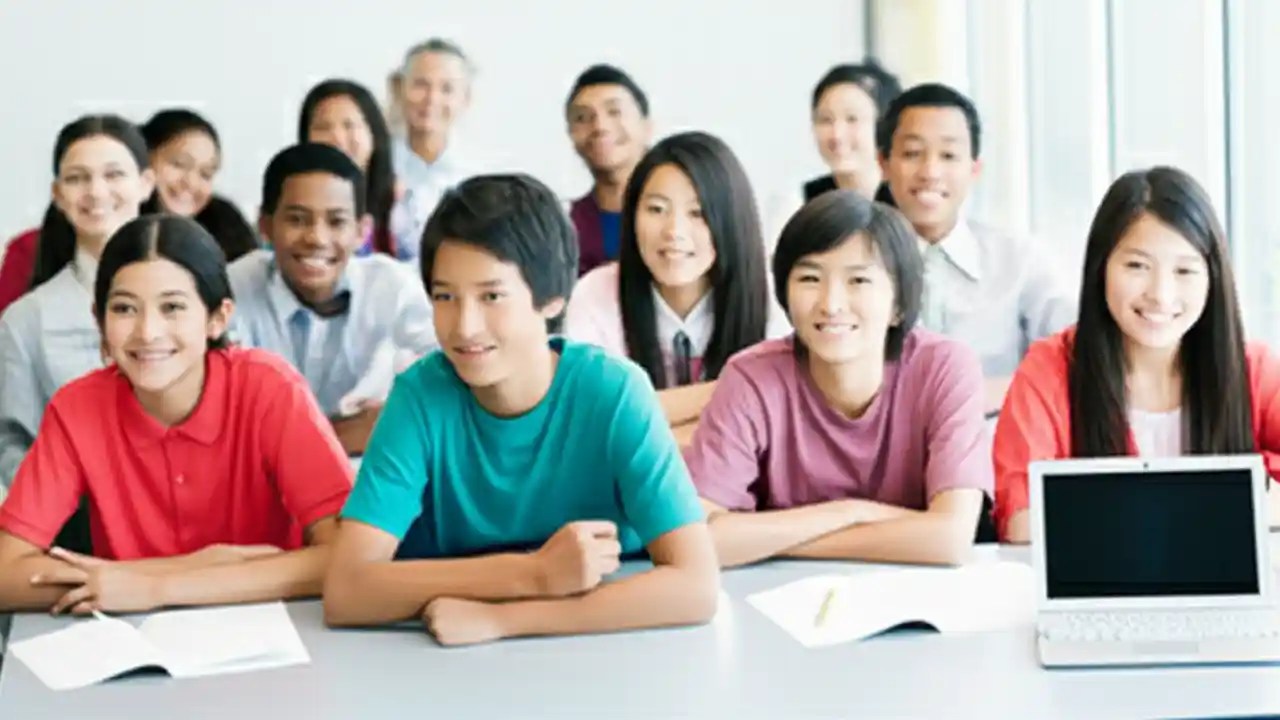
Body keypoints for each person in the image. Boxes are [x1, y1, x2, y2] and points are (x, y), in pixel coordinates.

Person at [322, 174, 718, 646]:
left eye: (491, 296)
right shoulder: (420, 397)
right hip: (437, 666)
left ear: (551, 298)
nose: (465, 327)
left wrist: (505, 621)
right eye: (445, 297)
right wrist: (530, 574)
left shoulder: (615, 392)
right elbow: (346, 590)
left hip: (605, 652)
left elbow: (695, 587)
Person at [0, 214, 352, 613]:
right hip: (130, 642)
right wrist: (182, 572)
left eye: (172, 307)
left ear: (217, 318)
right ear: (100, 322)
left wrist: (157, 586)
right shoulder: (77, 408)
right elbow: (6, 573)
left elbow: (347, 554)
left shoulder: (270, 389)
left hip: (273, 633)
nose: (147, 331)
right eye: (125, 308)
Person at [686, 190, 991, 567]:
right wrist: (848, 513)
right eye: (811, 278)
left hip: (917, 600)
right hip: (780, 600)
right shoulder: (750, 377)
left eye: (858, 281)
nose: (831, 303)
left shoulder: (945, 368)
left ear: (898, 303)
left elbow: (951, 539)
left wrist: (767, 538)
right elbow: (701, 540)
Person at [994, 167, 1280, 542]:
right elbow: (1022, 522)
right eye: (1137, 266)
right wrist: (1227, 503)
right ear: (1101, 268)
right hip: (1099, 591)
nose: (1161, 294)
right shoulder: (1052, 368)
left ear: (1213, 278)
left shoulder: (1250, 369)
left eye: (1184, 271)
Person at [563, 132, 789, 445]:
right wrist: (737, 388)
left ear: (731, 220)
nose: (673, 231)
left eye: (697, 213)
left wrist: (644, 421)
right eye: (656, 209)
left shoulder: (772, 298)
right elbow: (592, 418)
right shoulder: (595, 295)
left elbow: (779, 418)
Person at [878, 83, 1075, 414]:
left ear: (974, 169)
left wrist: (978, 396)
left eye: (949, 156)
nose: (930, 172)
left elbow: (1074, 355)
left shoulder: (1020, 261)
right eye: (912, 153)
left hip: (995, 449)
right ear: (883, 163)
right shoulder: (856, 262)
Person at [228, 144, 436, 454]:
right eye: (297, 220)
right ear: (266, 226)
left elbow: (450, 383)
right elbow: (232, 431)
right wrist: (346, 434)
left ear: (362, 231)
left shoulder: (393, 289)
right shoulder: (232, 289)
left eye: (336, 222)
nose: (317, 238)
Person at [0, 115, 155, 491]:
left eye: (114, 174)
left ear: (146, 184)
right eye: (77, 178)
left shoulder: (197, 296)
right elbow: (11, 445)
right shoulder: (26, 320)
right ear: (57, 194)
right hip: (75, 527)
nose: (96, 192)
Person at [391, 38, 477, 260]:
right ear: (399, 88)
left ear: (465, 99)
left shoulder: (475, 179)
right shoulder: (376, 166)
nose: (431, 99)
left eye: (447, 88)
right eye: (421, 84)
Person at [564, 64, 654, 275]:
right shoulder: (564, 227)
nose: (600, 127)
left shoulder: (686, 217)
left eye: (614, 111)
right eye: (582, 118)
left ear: (647, 127)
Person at [140, 109, 259, 261]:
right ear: (144, 158)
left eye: (206, 174)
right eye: (179, 164)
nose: (191, 183)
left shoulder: (227, 227)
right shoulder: (117, 219)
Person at [298, 79, 398, 257]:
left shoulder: (400, 203)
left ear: (374, 134)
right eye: (323, 127)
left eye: (349, 125)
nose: (336, 138)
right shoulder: (291, 204)